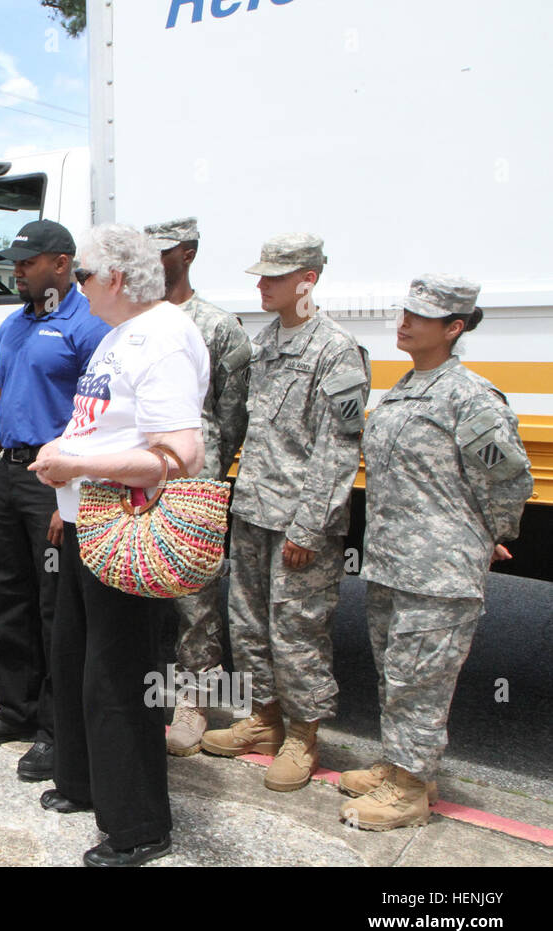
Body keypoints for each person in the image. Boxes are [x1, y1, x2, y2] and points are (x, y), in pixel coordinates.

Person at [28, 223, 209, 867]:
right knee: (76, 658)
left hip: (127, 532)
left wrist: (76, 467)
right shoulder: (124, 334)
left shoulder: (160, 338)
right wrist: (69, 490)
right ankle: (82, 784)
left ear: (119, 278)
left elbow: (179, 453)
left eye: (82, 275)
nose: (74, 287)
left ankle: (138, 826)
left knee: (120, 677)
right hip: (91, 524)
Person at [340, 275, 531, 830]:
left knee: (420, 680)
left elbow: (509, 477)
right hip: (395, 563)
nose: (405, 323)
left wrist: (488, 533)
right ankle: (402, 769)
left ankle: (410, 793)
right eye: (405, 312)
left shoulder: (468, 395)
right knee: (396, 673)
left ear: (453, 328)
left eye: (421, 317)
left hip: (439, 571)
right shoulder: (407, 387)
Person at [201, 233, 370, 793]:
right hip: (253, 509)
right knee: (248, 623)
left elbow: (337, 447)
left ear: (308, 280)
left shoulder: (335, 350)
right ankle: (263, 719)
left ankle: (304, 735)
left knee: (298, 630)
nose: (260, 285)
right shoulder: (266, 343)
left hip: (300, 521)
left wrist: (310, 526)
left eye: (273, 277)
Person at [0, 221, 110, 782]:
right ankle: (15, 709)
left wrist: (67, 497)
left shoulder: (89, 324)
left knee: (56, 611)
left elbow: (96, 417)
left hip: (58, 483)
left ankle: (54, 728)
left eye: (27, 262)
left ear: (62, 264)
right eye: (15, 262)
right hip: (12, 473)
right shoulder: (16, 325)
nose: (16, 271)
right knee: (11, 600)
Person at [145, 217, 251, 756]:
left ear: (186, 254)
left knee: (194, 595)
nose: (151, 260)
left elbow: (232, 413)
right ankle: (138, 689)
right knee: (133, 582)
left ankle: (193, 701)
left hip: (192, 475)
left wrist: (206, 469)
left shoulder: (217, 325)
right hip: (135, 472)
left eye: (161, 252)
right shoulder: (134, 316)